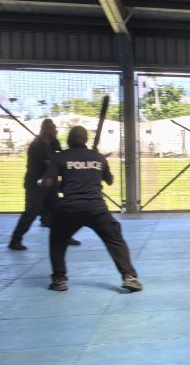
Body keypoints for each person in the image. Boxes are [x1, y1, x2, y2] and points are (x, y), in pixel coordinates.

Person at [41, 125, 142, 293]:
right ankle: (129, 277)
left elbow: (47, 184)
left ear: (69, 140)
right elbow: (109, 181)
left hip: (69, 208)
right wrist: (96, 162)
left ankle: (59, 280)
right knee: (115, 240)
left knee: (57, 241)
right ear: (86, 140)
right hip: (97, 209)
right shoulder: (98, 158)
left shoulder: (60, 157)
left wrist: (63, 184)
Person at [8, 118, 79, 250]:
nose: (57, 131)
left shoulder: (54, 142)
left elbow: (61, 157)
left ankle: (65, 236)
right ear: (47, 131)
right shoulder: (38, 145)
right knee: (31, 212)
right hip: (36, 183)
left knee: (58, 211)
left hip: (48, 184)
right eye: (54, 129)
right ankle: (15, 240)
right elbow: (51, 164)